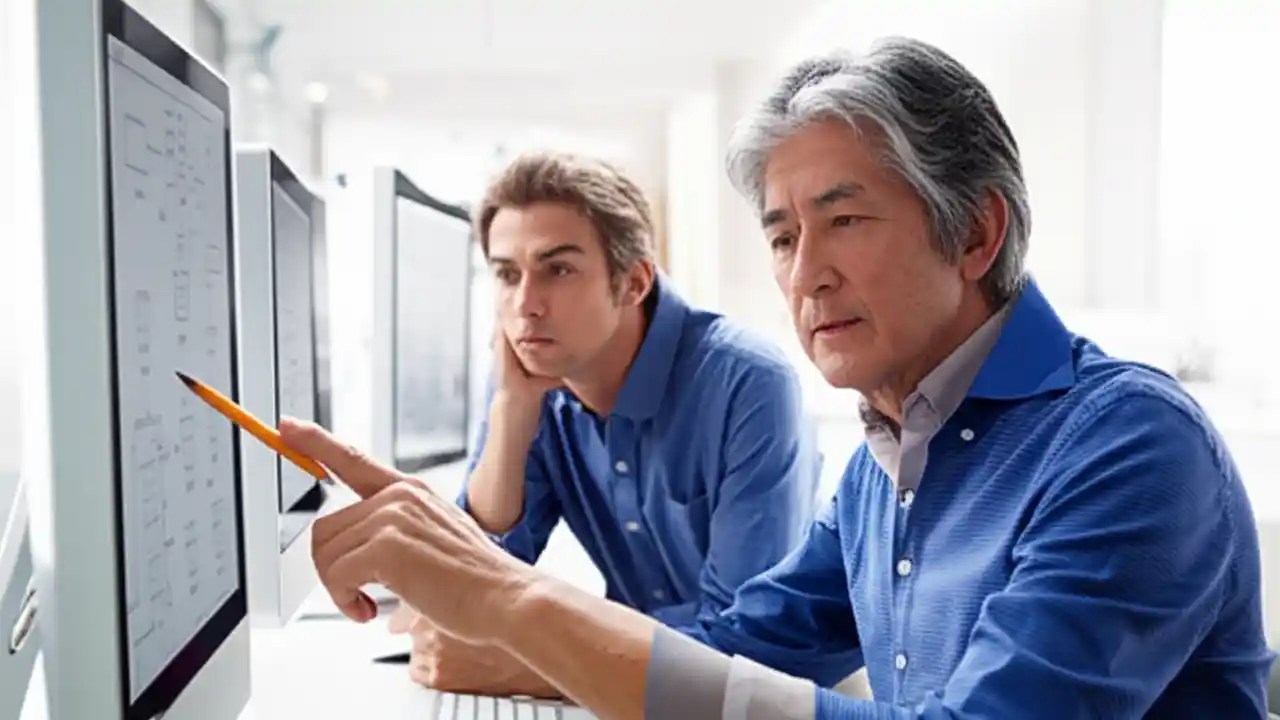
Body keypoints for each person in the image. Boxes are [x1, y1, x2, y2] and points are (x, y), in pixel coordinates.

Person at [288, 36, 1271, 719]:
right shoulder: (884, 464)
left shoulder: (1129, 446)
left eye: (842, 220)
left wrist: (515, 611)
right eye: (780, 235)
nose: (803, 275)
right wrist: (509, 625)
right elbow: (738, 639)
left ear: (974, 232)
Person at [387, 151, 820, 697]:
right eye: (506, 274)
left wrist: (530, 668)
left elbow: (748, 647)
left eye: (558, 270)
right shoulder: (532, 380)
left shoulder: (749, 384)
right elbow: (473, 590)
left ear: (634, 281)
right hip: (637, 692)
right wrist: (511, 413)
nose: (526, 305)